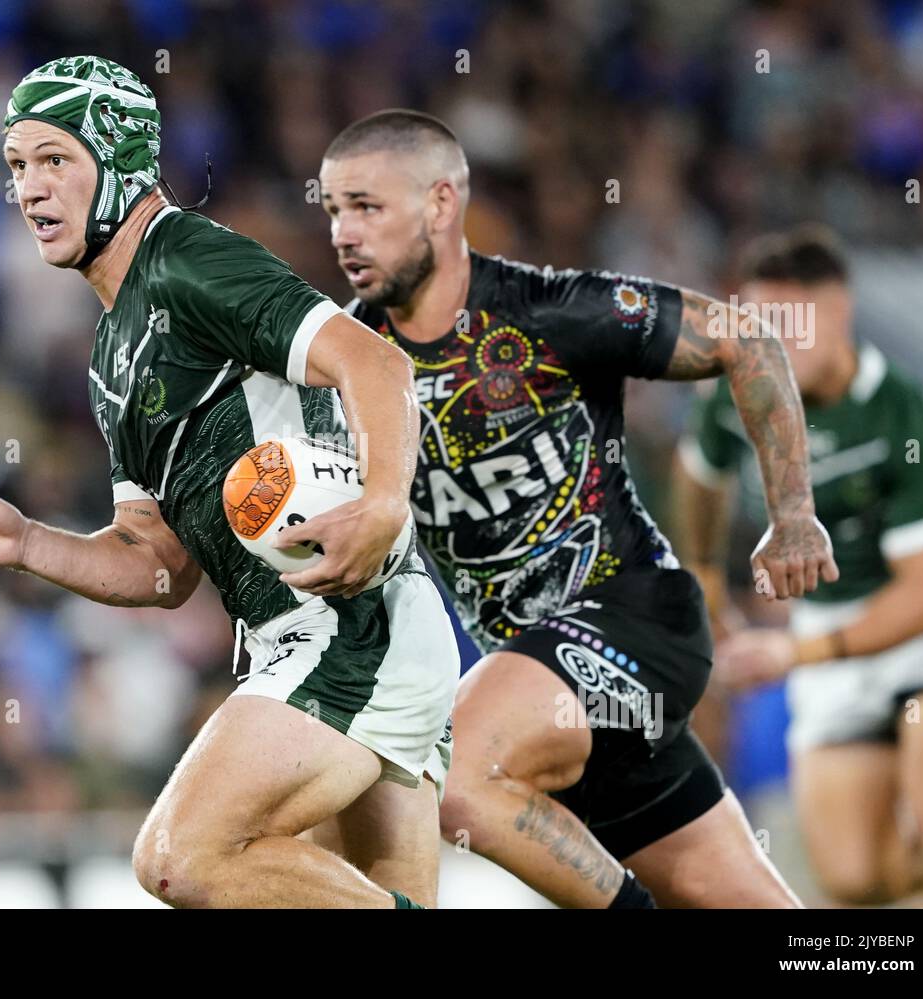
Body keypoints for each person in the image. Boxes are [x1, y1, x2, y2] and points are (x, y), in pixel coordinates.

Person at [0, 56, 459, 908]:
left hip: (347, 623)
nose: (29, 189)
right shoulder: (106, 353)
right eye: (17, 166)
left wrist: (384, 502)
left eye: (55, 159)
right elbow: (159, 566)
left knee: (181, 853)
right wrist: (25, 543)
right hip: (314, 636)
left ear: (121, 158)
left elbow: (374, 363)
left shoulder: (186, 257)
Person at [315, 109, 836, 908]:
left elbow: (746, 339)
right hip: (546, 689)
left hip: (635, 617)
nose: (344, 233)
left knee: (457, 783)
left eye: (366, 206)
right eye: (332, 210)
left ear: (441, 205)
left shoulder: (550, 311)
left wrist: (792, 512)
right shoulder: (344, 365)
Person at [675, 224, 923, 905]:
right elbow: (699, 477)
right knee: (853, 877)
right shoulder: (729, 398)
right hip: (824, 634)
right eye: (755, 322)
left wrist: (798, 653)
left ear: (838, 311)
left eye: (784, 321)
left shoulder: (901, 409)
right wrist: (706, 575)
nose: (765, 341)